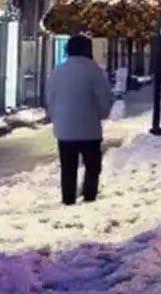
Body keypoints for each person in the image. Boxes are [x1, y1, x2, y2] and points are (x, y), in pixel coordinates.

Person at [45, 34, 113, 206]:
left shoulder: (59, 70)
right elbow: (104, 98)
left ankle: (68, 198)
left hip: (65, 130)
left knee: (68, 167)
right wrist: (101, 113)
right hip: (89, 129)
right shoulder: (94, 70)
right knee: (92, 166)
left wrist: (56, 118)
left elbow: (50, 98)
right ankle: (89, 196)